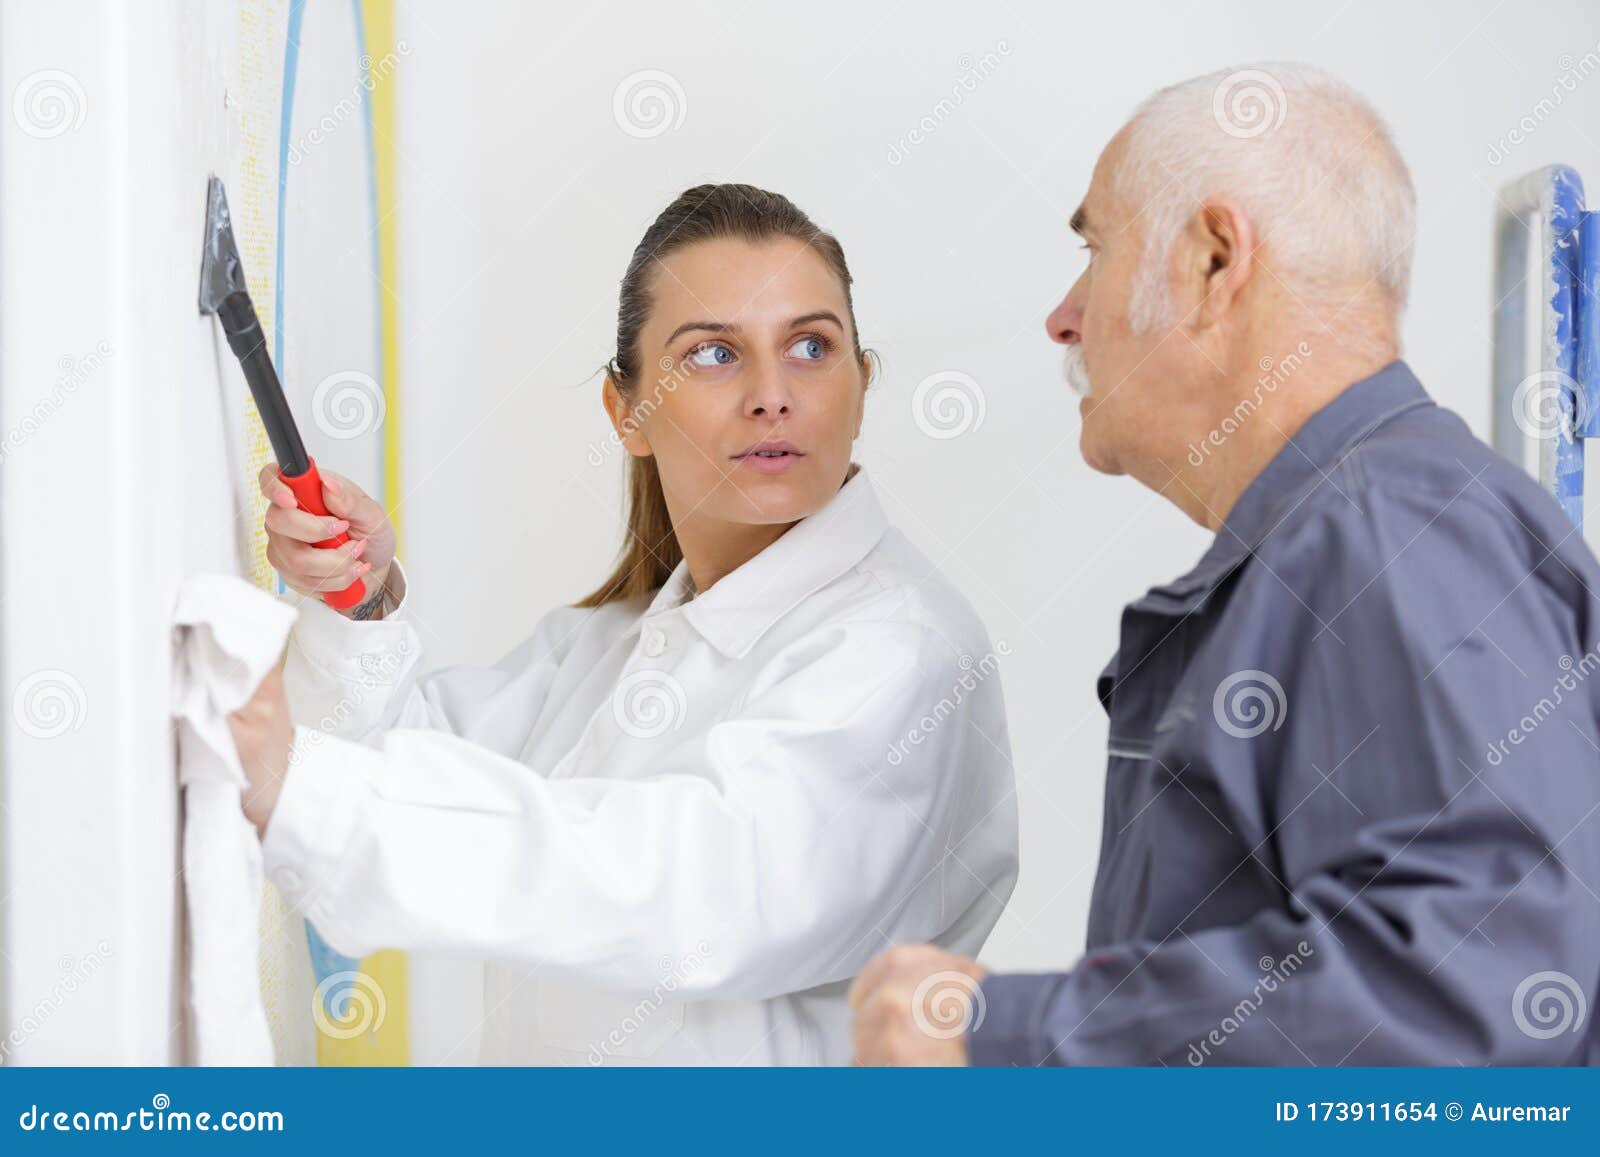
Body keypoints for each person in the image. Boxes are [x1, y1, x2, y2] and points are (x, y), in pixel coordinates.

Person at [850, 63, 1600, 1066]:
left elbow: (1473, 986)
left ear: (1213, 262)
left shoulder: (1389, 531)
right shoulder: (1353, 536)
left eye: (1094, 249)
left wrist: (1004, 1034)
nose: (1064, 316)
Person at [228, 184, 1018, 1065]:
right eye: (714, 353)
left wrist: (306, 789)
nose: (772, 394)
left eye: (810, 346)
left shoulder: (901, 648)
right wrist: (361, 605)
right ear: (626, 412)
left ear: (861, 388)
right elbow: (368, 756)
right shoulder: (602, 648)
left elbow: (703, 893)